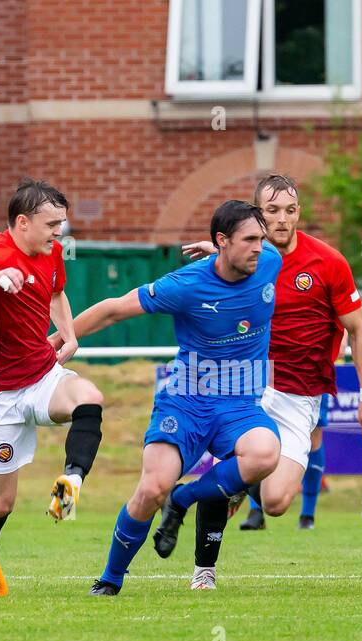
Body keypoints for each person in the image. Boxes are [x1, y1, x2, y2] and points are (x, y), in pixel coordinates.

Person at [65, 200, 284, 596]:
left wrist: (223, 247)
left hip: (240, 404)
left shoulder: (269, 260)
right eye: (249, 239)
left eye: (261, 238)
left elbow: (273, 245)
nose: (259, 246)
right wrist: (59, 341)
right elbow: (115, 310)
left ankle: (184, 499)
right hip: (186, 400)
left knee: (265, 454)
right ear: (223, 241)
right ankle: (111, 578)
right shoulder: (186, 285)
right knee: (152, 489)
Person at [178, 175, 362, 565]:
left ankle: (245, 481)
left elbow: (358, 330)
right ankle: (203, 571)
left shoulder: (328, 262)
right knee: (228, 479)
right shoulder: (242, 262)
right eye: (272, 211)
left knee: (274, 502)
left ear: (299, 213)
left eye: (290, 210)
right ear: (258, 214)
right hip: (249, 387)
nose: (282, 219)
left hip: (300, 394)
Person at [0, 178, 106, 597]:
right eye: (52, 223)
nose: (60, 232)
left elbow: (57, 292)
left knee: (89, 398)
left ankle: (70, 483)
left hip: (41, 376)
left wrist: (68, 334)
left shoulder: (51, 251)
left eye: (62, 223)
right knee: (0, 504)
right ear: (23, 222)